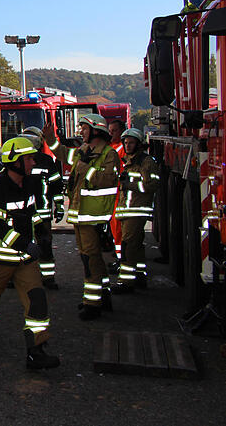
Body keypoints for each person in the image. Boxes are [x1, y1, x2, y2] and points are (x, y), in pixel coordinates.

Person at [0, 137, 60, 369]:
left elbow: (33, 213)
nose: (33, 162)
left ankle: (36, 351)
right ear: (14, 162)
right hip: (0, 260)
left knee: (37, 300)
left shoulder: (31, 184)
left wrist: (42, 233)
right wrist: (24, 244)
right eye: (29, 158)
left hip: (25, 261)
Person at [43, 114, 121, 320]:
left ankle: (92, 304)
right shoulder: (83, 151)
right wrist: (51, 140)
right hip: (81, 215)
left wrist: (86, 169)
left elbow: (107, 180)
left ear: (96, 130)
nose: (81, 132)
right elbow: (64, 154)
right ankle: (103, 295)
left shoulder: (109, 154)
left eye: (84, 129)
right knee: (92, 258)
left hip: (93, 216)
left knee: (90, 260)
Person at [113, 128, 160, 292]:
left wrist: (129, 184)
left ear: (138, 144)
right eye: (125, 142)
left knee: (128, 247)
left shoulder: (146, 162)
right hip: (128, 210)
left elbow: (152, 185)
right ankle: (140, 276)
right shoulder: (127, 160)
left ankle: (126, 283)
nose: (128, 145)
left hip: (137, 210)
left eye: (131, 142)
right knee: (137, 246)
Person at [20, 126, 63, 290]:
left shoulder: (46, 161)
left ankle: (48, 277)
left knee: (44, 244)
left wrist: (59, 205)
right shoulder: (19, 160)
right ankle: (22, 276)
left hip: (41, 213)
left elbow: (56, 186)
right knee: (22, 244)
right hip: (25, 213)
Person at [107, 119, 127, 268]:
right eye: (110, 130)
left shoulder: (122, 148)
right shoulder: (112, 147)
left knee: (119, 229)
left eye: (114, 131)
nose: (111, 133)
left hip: (121, 194)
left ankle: (122, 260)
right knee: (115, 228)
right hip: (113, 194)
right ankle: (120, 257)